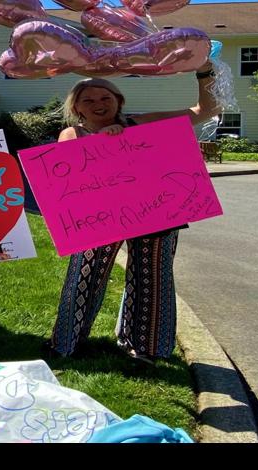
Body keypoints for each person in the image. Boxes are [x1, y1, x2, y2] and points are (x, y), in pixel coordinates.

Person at [46, 59, 220, 362]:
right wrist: (105, 141)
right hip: (98, 219)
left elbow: (205, 111)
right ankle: (66, 344)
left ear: (119, 101)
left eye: (105, 97)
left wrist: (204, 72)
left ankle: (146, 348)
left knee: (152, 279)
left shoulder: (143, 123)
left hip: (155, 213)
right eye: (88, 100)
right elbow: (67, 174)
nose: (98, 104)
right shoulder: (72, 134)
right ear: (77, 108)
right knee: (85, 276)